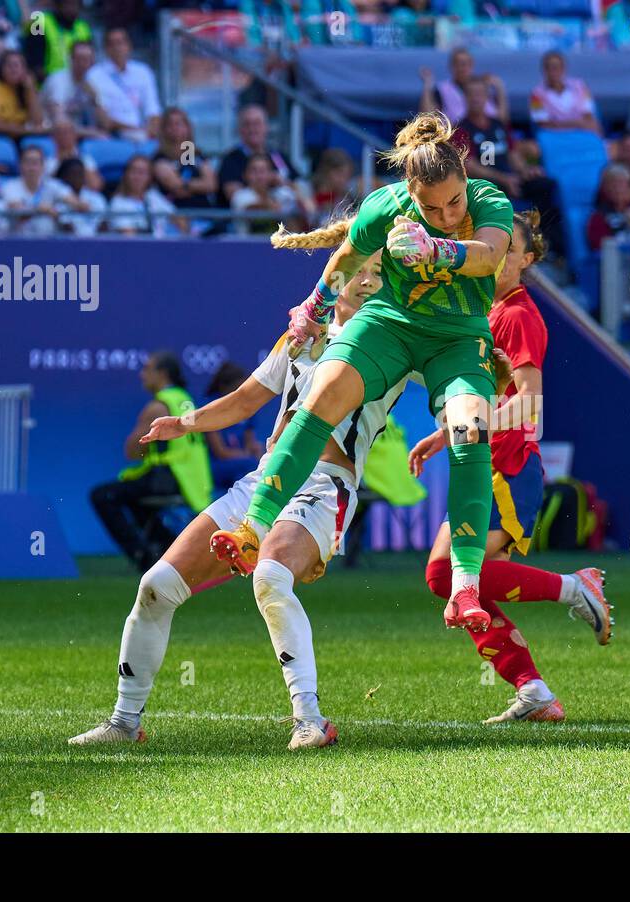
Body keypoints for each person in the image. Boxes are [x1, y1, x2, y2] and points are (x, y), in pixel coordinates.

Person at [70, 255, 399, 751]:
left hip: (324, 486)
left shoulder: (395, 343)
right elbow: (246, 399)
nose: (368, 280)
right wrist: (183, 423)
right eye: (360, 269)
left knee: (269, 578)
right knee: (156, 586)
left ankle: (309, 719)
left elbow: (457, 375)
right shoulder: (300, 337)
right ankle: (123, 723)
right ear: (336, 276)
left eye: (381, 272)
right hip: (263, 481)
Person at [208, 111, 512, 633]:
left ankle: (465, 587)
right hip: (389, 324)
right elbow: (345, 259)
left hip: (460, 337)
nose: (445, 213)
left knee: (470, 431)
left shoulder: (489, 201)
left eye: (453, 203)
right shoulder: (384, 206)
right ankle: (252, 527)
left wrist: (437, 248)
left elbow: (488, 257)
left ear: (465, 179)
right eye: (431, 207)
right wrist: (313, 309)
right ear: (409, 194)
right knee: (321, 395)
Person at [409, 209, 613, 723]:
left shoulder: (518, 315)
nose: (495, 254)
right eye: (487, 244)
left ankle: (573, 590)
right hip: (484, 464)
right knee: (445, 578)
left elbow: (528, 403)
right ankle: (534, 690)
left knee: (455, 577)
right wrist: (444, 434)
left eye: (506, 249)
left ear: (525, 259)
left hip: (508, 469)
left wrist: (468, 430)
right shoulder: (482, 310)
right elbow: (485, 395)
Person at [89, 351, 214, 572]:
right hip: (193, 479)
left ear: (162, 373)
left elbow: (132, 451)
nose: (141, 375)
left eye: (147, 369)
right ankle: (167, 551)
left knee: (103, 496)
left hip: (168, 477)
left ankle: (143, 557)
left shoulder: (158, 407)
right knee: (136, 500)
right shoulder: (184, 399)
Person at [453, 76, 565, 263]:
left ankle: (551, 248)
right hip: (484, 184)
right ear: (464, 98)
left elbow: (512, 154)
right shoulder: (461, 130)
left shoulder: (498, 125)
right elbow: (469, 166)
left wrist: (525, 170)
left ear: (486, 97)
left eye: (480, 94)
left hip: (510, 178)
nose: (476, 98)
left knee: (547, 185)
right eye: (471, 94)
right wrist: (505, 179)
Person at [88, 27, 162, 141]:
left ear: (129, 45)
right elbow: (104, 119)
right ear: (106, 49)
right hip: (112, 136)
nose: (117, 48)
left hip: (144, 135)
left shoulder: (143, 71)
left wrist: (151, 130)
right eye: (112, 44)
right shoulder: (94, 75)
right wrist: (136, 129)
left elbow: (153, 109)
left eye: (121, 42)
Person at [201, 361, 264, 489]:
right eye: (237, 388)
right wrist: (247, 457)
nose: (242, 393)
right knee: (250, 466)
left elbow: (250, 443)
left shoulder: (247, 405)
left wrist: (256, 451)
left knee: (261, 465)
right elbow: (220, 452)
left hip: (241, 462)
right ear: (224, 388)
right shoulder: (210, 408)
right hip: (215, 466)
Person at [419, 47, 507, 127]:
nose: (462, 68)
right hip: (456, 137)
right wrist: (427, 84)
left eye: (465, 64)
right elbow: (427, 119)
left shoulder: (482, 86)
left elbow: (501, 121)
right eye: (458, 64)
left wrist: (500, 89)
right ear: (451, 66)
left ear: (472, 66)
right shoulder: (442, 90)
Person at [0, 144, 76, 235]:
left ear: (43, 166)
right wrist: (39, 209)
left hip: (48, 240)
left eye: (35, 163)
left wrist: (71, 205)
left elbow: (73, 201)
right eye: (28, 162)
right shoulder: (10, 186)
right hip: (18, 240)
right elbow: (15, 209)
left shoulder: (53, 185)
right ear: (20, 165)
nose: (31, 168)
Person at [152, 107, 217, 212]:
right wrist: (200, 185)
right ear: (164, 129)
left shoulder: (195, 154)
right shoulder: (160, 158)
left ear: (188, 127)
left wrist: (185, 185)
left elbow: (211, 184)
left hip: (206, 213)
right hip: (177, 216)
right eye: (170, 124)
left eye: (179, 123)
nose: (175, 127)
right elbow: (176, 188)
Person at [40, 40, 111, 137]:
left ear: (92, 62)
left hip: (77, 133)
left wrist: (95, 99)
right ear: (71, 59)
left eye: (86, 59)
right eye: (78, 58)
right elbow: (60, 124)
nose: (82, 63)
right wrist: (91, 133)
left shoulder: (93, 83)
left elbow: (106, 125)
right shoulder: (58, 81)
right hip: (49, 132)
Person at [107, 154, 186, 237]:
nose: (137, 177)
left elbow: (178, 218)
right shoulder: (118, 203)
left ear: (150, 177)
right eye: (134, 171)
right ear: (126, 174)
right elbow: (129, 237)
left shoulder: (153, 196)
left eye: (142, 172)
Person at [528, 51, 601, 135]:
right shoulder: (536, 94)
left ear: (563, 68)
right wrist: (575, 124)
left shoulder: (580, 86)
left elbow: (588, 114)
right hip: (554, 136)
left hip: (581, 133)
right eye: (550, 67)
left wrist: (581, 125)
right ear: (544, 70)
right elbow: (542, 123)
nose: (554, 71)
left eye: (557, 67)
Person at [0, 50, 46, 140]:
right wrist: (29, 131)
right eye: (9, 65)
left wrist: (30, 89)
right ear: (1, 68)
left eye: (17, 66)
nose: (13, 70)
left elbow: (38, 122)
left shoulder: (26, 87)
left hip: (22, 136)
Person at [230, 152, 302, 235]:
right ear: (245, 175)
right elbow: (252, 209)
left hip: (278, 245)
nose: (259, 176)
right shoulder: (240, 195)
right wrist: (272, 205)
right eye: (254, 171)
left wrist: (284, 184)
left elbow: (298, 211)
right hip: (247, 245)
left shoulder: (281, 193)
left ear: (272, 174)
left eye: (263, 171)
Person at [23, 0, 93, 81]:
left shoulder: (83, 27)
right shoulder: (39, 23)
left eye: (75, 4)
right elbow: (34, 64)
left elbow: (91, 63)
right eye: (68, 4)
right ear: (57, 5)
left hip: (79, 83)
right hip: (47, 83)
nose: (72, 8)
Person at [53, 156, 105, 236]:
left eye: (80, 173)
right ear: (64, 176)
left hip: (96, 243)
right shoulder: (59, 200)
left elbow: (103, 224)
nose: (78, 177)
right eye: (73, 174)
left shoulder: (96, 197)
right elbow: (66, 228)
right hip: (71, 244)